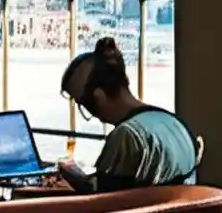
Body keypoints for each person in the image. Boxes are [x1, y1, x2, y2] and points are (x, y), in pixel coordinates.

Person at [58, 36, 200, 193]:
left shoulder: (128, 136)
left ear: (99, 97)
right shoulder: (176, 124)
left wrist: (72, 174)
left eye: (82, 103)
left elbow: (103, 200)